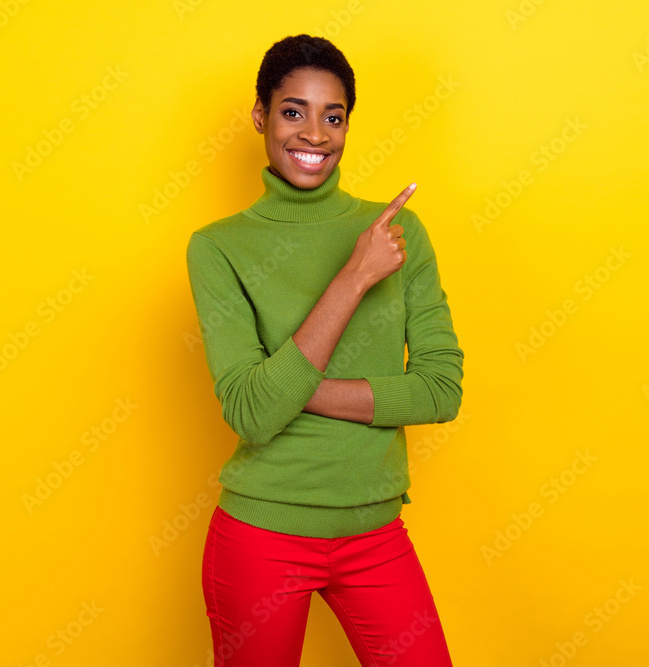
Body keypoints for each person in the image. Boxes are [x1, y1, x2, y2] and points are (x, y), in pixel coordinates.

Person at [185, 34, 463, 667]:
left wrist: (284, 390)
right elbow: (253, 416)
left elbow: (441, 391)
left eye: (332, 116)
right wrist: (353, 276)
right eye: (293, 111)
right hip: (262, 535)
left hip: (376, 533)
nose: (314, 134)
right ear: (261, 116)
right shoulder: (218, 246)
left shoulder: (397, 233)